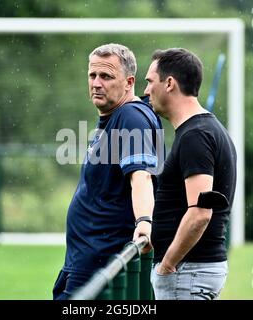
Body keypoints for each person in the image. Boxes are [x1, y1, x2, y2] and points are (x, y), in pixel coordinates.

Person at [53, 43, 164, 300]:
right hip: (85, 257)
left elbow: (141, 176)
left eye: (106, 76)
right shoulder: (115, 116)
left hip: (100, 261)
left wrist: (144, 222)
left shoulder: (130, 116)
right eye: (92, 75)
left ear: (129, 82)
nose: (96, 83)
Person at [143, 48, 237, 300]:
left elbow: (200, 213)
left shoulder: (196, 136)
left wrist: (167, 265)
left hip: (187, 272)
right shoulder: (204, 130)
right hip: (191, 270)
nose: (146, 91)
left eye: (150, 82)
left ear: (170, 83)